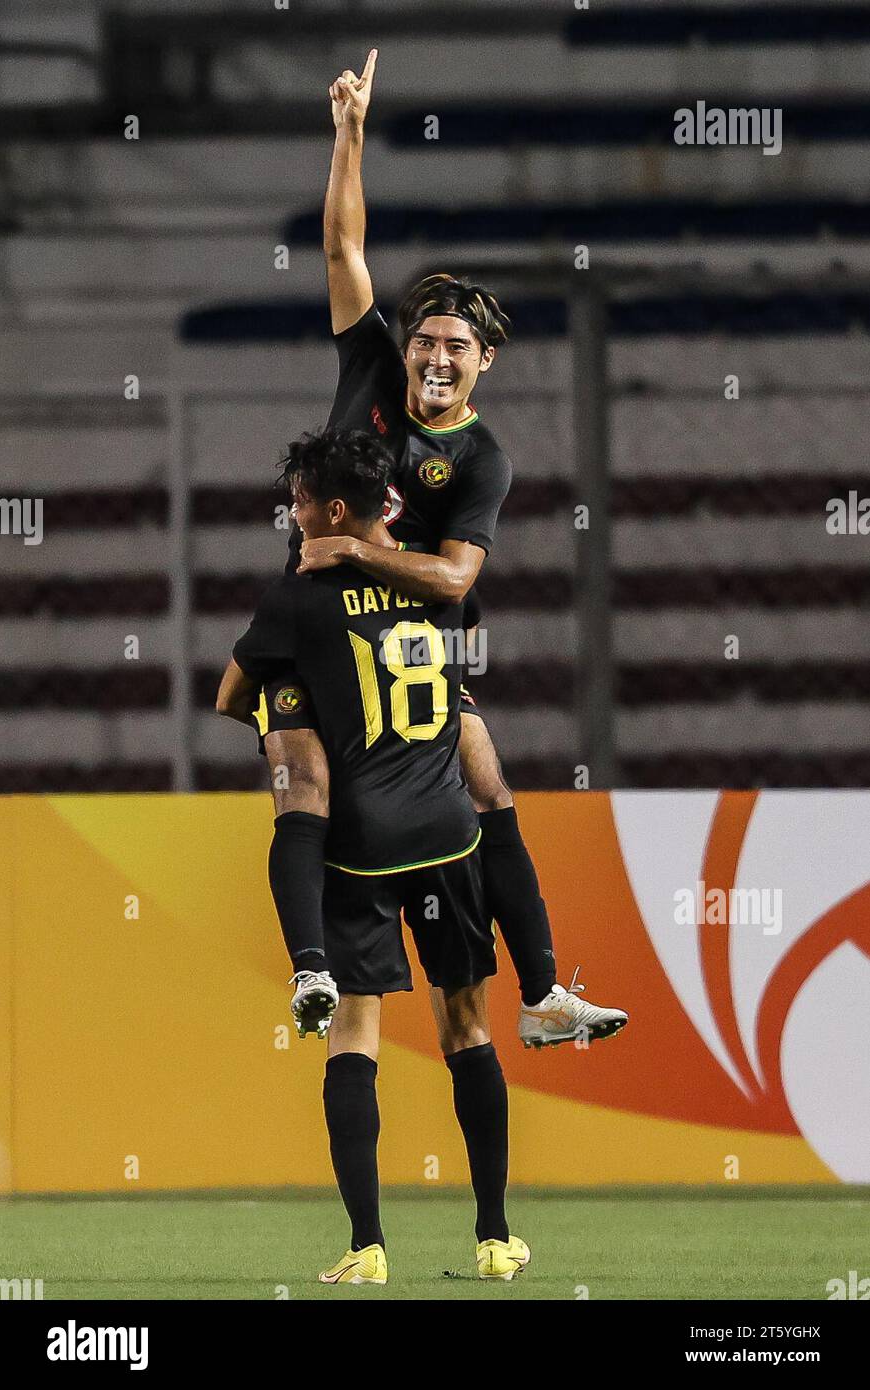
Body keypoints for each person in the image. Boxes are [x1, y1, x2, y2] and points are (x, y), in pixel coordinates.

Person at [263, 47, 628, 1049]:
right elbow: (343, 248)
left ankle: (544, 993)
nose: (432, 355)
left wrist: (358, 558)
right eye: (424, 339)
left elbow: (458, 580)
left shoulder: (484, 460)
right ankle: (311, 968)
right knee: (301, 777)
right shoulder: (370, 364)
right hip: (313, 626)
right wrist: (348, 134)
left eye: (454, 346)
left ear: (483, 363)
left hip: (404, 648)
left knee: (489, 782)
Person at [217, 427, 529, 1283]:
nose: (293, 515)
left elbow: (227, 695)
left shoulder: (298, 598)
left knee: (355, 1031)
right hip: (448, 834)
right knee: (466, 1025)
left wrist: (288, 709)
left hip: (360, 846)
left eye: (301, 503)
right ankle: (495, 1237)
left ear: (336, 512)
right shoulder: (441, 590)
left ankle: (366, 1248)